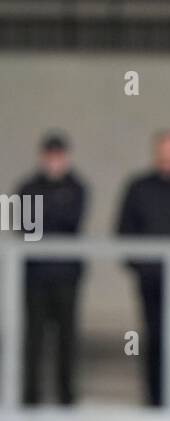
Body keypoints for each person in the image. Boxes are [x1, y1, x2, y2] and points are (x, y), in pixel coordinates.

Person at [116, 130, 170, 405]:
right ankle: (154, 401)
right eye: (164, 149)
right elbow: (124, 230)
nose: (168, 155)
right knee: (153, 336)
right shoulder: (139, 187)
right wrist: (141, 266)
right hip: (150, 279)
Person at [16, 132, 88, 405]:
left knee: (66, 338)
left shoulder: (77, 187)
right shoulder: (28, 186)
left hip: (66, 277)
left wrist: (45, 217)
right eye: (50, 156)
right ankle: (30, 397)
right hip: (35, 276)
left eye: (58, 156)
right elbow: (25, 226)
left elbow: (70, 221)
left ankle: (65, 397)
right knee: (33, 337)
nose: (54, 162)